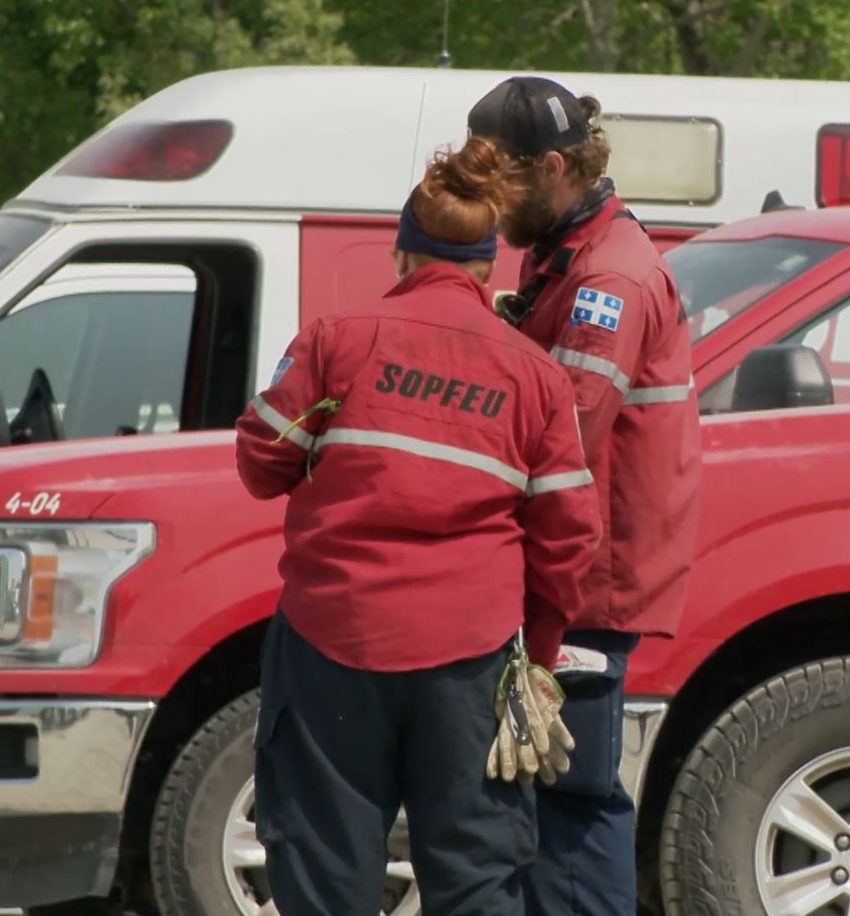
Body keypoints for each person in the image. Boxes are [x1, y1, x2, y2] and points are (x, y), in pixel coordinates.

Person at [235, 135, 601, 916]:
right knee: (476, 876)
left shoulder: (337, 340)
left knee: (324, 870)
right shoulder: (532, 374)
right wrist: (536, 659)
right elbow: (568, 534)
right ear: (485, 267)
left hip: (332, 642)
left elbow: (259, 460)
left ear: (402, 255)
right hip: (470, 664)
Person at [468, 76, 703, 916]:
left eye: (503, 182)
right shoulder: (561, 251)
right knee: (545, 796)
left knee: (570, 801)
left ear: (556, 168)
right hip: (567, 566)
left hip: (586, 581)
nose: (492, 204)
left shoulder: (613, 280)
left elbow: (562, 430)